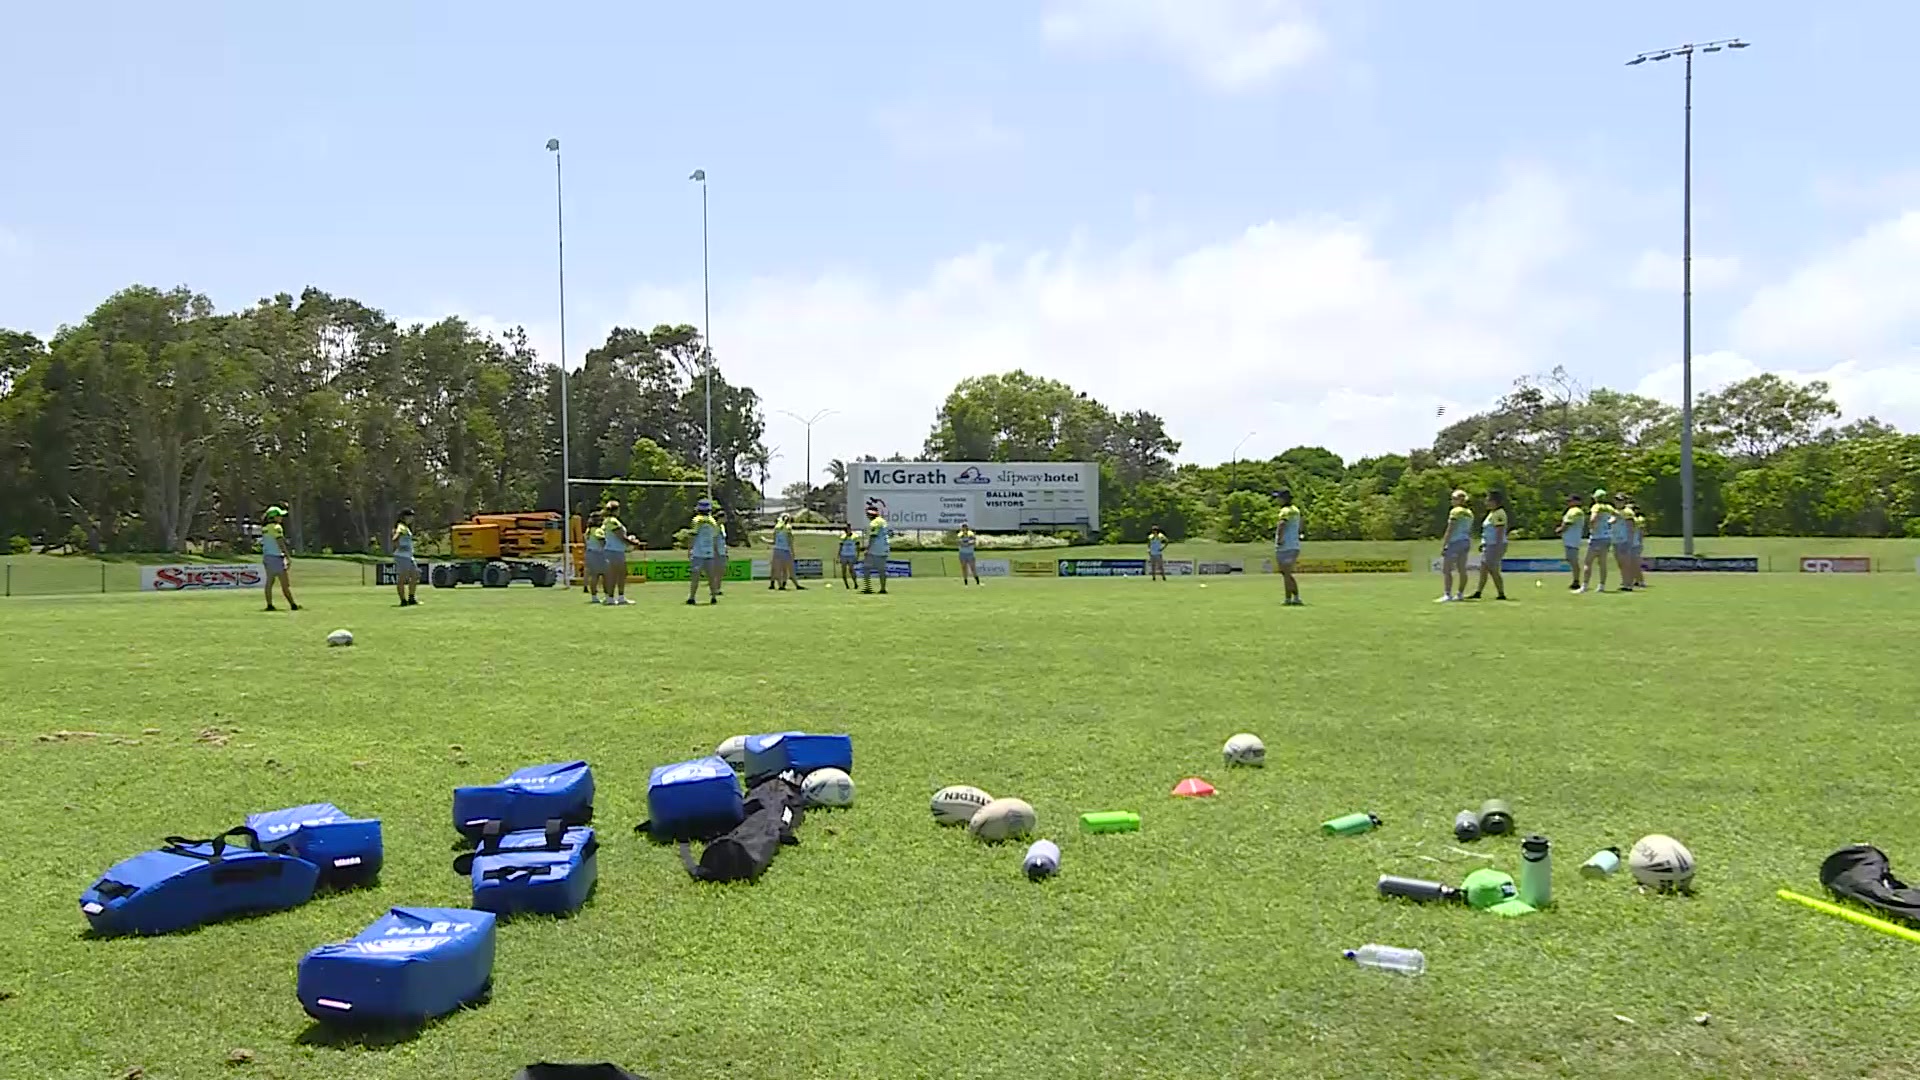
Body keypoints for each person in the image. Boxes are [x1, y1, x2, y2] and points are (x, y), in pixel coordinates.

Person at [1468, 491, 1509, 601]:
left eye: (1488, 500)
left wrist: (1497, 546)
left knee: (1493, 569)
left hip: (1495, 544)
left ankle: (1501, 593)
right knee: (1483, 569)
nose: (1486, 503)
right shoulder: (1492, 513)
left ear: (1495, 502)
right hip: (1489, 544)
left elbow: (1499, 531)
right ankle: (1478, 592)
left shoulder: (1499, 513)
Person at [259, 505, 300, 612]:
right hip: (277, 557)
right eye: (280, 516)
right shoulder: (277, 528)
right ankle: (293, 604)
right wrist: (287, 556)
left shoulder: (265, 528)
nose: (281, 518)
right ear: (274, 517)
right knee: (285, 584)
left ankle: (269, 604)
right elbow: (280, 543)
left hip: (267, 557)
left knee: (269, 582)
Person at [1437, 489, 1473, 603]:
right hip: (1465, 541)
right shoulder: (1469, 513)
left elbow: (1450, 528)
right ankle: (1460, 593)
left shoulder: (1455, 511)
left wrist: (1445, 543)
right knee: (1462, 569)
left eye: (1453, 498)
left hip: (1454, 542)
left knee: (1447, 569)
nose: (1452, 501)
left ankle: (1447, 594)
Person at [600, 500, 639, 605]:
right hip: (614, 551)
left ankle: (613, 597)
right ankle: (613, 598)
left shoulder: (606, 520)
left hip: (613, 550)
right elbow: (621, 536)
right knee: (617, 575)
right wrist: (633, 542)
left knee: (618, 574)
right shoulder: (613, 521)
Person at [686, 498, 725, 605]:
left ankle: (692, 597)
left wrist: (690, 549)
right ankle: (713, 597)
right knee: (711, 576)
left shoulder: (696, 520)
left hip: (698, 552)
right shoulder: (712, 521)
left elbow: (693, 536)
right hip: (710, 552)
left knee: (695, 576)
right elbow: (714, 537)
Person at [1583, 488, 1616, 593]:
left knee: (1588, 562)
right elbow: (1617, 517)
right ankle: (1601, 586)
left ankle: (1584, 586)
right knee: (1602, 563)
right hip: (1607, 537)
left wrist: (1592, 527)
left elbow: (1593, 519)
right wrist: (1609, 523)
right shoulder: (1609, 507)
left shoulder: (1596, 507)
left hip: (1597, 537)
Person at [1273, 490, 1303, 606]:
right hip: (1294, 545)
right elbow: (1300, 525)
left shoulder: (1284, 511)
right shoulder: (1296, 510)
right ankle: (1295, 597)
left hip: (1285, 545)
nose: (1277, 500)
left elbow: (1281, 525)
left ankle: (1288, 598)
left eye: (1278, 498)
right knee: (1286, 573)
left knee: (1285, 573)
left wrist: (1279, 539)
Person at [1555, 494, 1585, 591]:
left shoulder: (1574, 511)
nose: (1569, 503)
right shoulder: (1578, 511)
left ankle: (1576, 581)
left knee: (1573, 560)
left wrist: (1559, 530)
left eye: (1571, 501)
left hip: (1572, 540)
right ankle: (1576, 580)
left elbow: (1567, 523)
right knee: (1571, 560)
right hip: (1573, 539)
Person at [391, 508, 420, 607]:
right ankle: (403, 600)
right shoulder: (401, 526)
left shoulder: (406, 527)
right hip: (402, 556)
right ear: (404, 517)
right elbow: (397, 535)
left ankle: (411, 597)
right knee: (402, 578)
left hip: (409, 556)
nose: (411, 519)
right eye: (410, 517)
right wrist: (396, 539)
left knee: (415, 575)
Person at [862, 504, 891, 595]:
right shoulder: (883, 521)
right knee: (882, 570)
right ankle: (883, 588)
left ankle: (868, 588)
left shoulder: (874, 523)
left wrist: (867, 549)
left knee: (866, 568)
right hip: (884, 548)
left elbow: (873, 536)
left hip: (875, 549)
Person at [770, 513, 804, 591]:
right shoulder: (788, 529)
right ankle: (797, 585)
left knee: (778, 570)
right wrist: (793, 552)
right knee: (790, 569)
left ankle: (780, 585)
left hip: (777, 550)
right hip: (785, 551)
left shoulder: (776, 528)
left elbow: (774, 541)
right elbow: (790, 542)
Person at [583, 510, 606, 604]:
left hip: (589, 553)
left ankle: (594, 596)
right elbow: (602, 542)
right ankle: (608, 595)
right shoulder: (598, 530)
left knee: (593, 576)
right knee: (605, 575)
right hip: (598, 553)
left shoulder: (588, 530)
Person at [837, 525, 859, 589]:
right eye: (846, 530)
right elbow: (840, 547)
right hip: (843, 555)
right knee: (843, 570)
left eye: (848, 529)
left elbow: (858, 547)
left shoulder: (855, 537)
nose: (848, 531)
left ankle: (855, 583)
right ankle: (846, 585)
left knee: (851, 570)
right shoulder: (842, 537)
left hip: (851, 555)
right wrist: (838, 557)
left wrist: (857, 556)